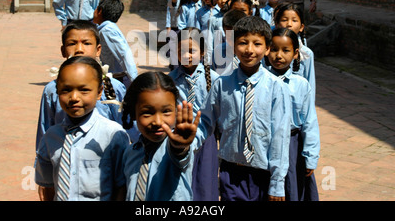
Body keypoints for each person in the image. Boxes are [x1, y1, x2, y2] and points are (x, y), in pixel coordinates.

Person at [196, 15, 291, 201]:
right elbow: (206, 122)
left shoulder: (276, 87)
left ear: (267, 48)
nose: (249, 50)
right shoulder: (221, 85)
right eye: (242, 43)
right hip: (231, 171)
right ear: (232, 45)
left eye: (257, 44)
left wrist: (277, 182)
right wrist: (188, 141)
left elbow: (280, 136)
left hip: (263, 173)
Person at [35, 56, 130, 201]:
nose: (74, 97)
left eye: (84, 90)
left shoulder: (113, 135)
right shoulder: (51, 137)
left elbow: (121, 187)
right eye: (66, 90)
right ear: (57, 91)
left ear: (99, 92)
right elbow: (47, 187)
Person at [35, 20, 137, 155]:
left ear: (98, 50)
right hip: (64, 159)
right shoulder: (52, 90)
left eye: (87, 43)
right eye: (72, 43)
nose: (79, 49)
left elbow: (128, 127)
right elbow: (45, 131)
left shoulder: (111, 87)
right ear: (63, 50)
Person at [121, 72, 201, 201]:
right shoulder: (131, 152)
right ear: (134, 113)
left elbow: (181, 155)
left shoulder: (173, 147)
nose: (158, 122)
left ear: (176, 111)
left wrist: (180, 147)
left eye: (166, 111)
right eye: (147, 113)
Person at [265, 28, 320, 201]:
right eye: (274, 49)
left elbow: (310, 122)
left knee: (293, 189)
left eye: (285, 50)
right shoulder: (262, 82)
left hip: (293, 146)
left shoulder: (301, 85)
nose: (278, 55)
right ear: (267, 50)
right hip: (266, 144)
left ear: (296, 53)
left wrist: (310, 155)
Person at [169, 27, 219, 201]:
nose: (186, 55)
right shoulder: (170, 80)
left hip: (206, 138)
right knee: (180, 183)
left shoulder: (213, 79)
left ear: (203, 52)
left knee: (204, 184)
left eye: (192, 51)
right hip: (179, 138)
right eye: (181, 51)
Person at [93, 0, 138, 88]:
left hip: (119, 79)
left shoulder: (107, 30)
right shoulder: (106, 28)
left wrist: (135, 82)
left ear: (100, 11)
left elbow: (124, 54)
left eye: (95, 9)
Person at [274, 2, 316, 99]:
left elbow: (310, 85)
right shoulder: (269, 50)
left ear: (301, 27)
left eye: (294, 20)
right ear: (276, 24)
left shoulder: (306, 54)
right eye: (284, 20)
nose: (289, 24)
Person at [211, 9, 246, 75]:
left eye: (237, 37)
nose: (234, 41)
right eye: (230, 37)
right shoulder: (218, 51)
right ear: (224, 32)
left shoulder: (251, 54)